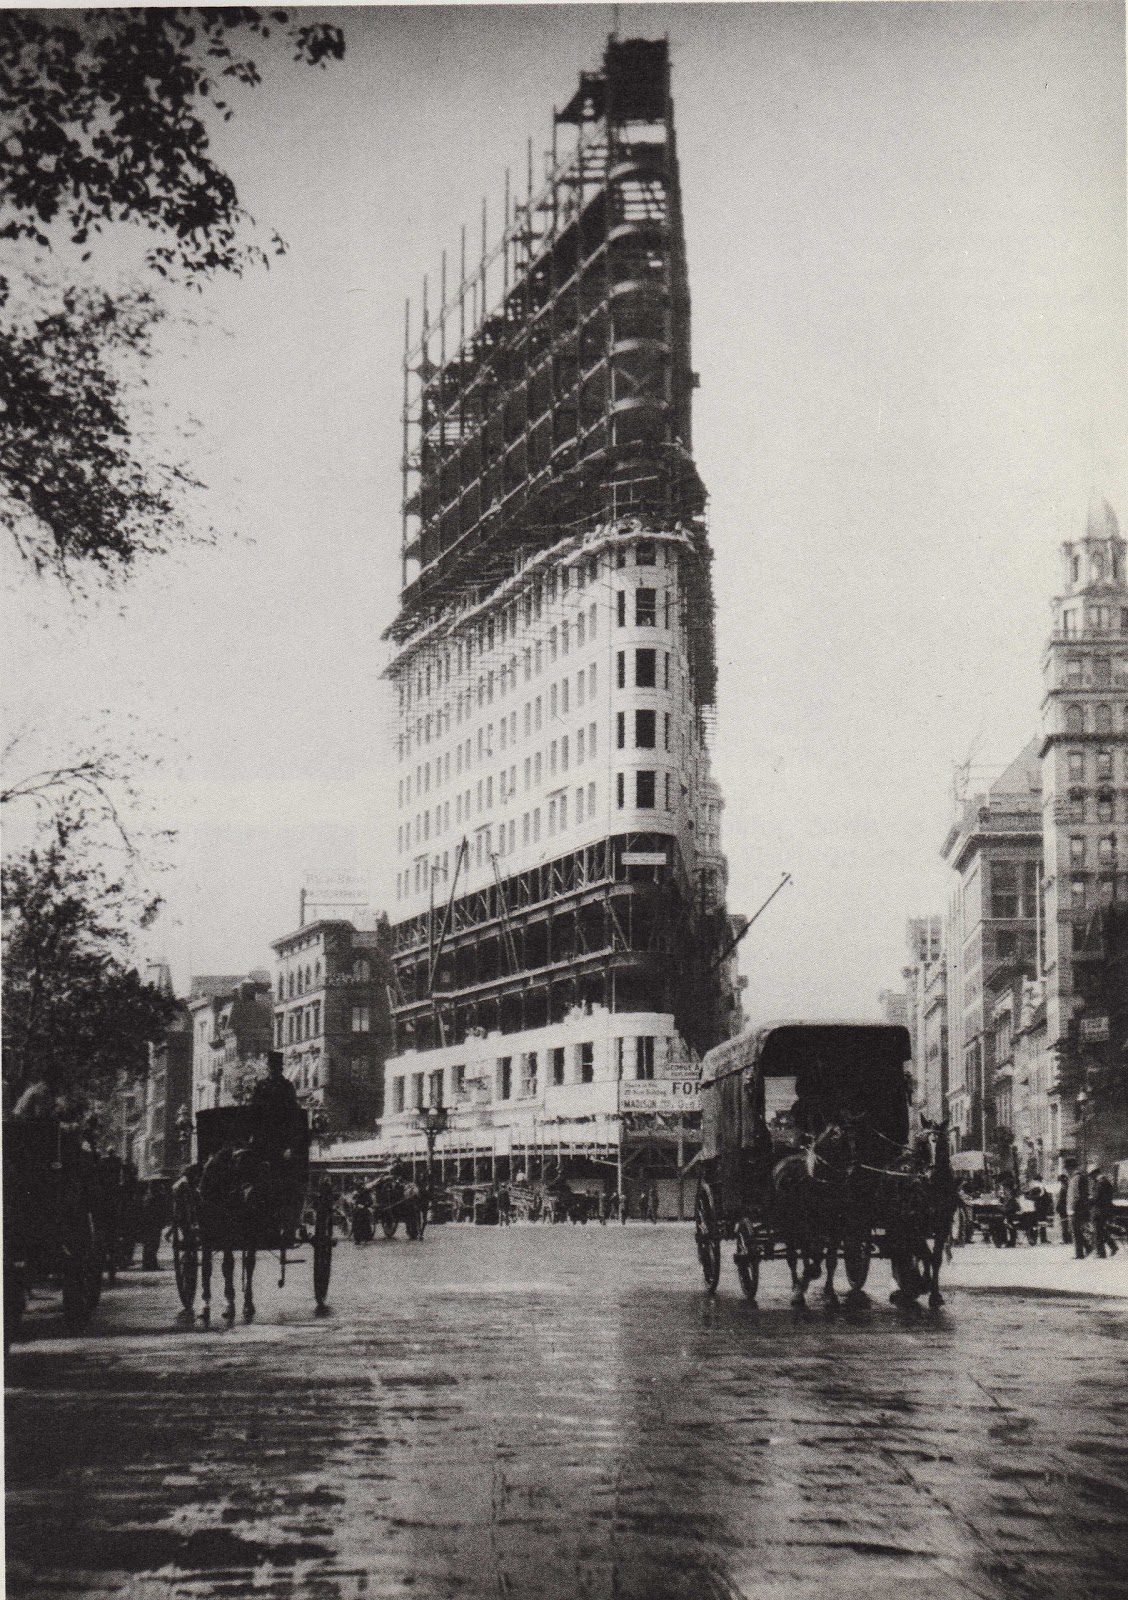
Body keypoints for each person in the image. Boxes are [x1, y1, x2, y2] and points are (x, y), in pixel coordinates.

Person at [1092, 1166, 1118, 1259]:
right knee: (1102, 1230)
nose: (1092, 1178)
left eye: (1092, 1176)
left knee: (1098, 1231)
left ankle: (1101, 1253)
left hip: (1099, 1210)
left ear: (1095, 1174)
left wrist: (1088, 1201)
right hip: (1106, 1210)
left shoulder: (1100, 1184)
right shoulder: (1107, 1182)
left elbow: (1096, 1198)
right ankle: (1113, 1246)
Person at [1067, 1163, 1091, 1259]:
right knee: (1076, 1231)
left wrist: (1072, 1208)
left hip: (1075, 1209)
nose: (1067, 1171)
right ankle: (1086, 1247)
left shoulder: (1076, 1178)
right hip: (1076, 1208)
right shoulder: (1078, 1177)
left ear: (1070, 1168)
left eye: (1067, 1168)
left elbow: (1076, 1195)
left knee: (1075, 1231)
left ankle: (1079, 1253)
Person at [1056, 1170, 1072, 1246]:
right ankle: (1068, 1238)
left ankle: (1065, 1239)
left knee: (1064, 1223)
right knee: (1066, 1223)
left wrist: (1057, 1207)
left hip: (1063, 1207)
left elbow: (1061, 1199)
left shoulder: (1063, 1188)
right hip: (1066, 1207)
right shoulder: (1067, 1186)